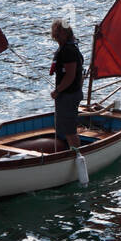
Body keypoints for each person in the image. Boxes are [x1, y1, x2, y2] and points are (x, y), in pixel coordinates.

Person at [49, 19, 85, 151]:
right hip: (68, 94)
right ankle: (67, 152)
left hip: (68, 95)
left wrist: (57, 91)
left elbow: (70, 76)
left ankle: (76, 155)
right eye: (55, 32)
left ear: (66, 33)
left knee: (69, 130)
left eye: (59, 33)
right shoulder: (66, 48)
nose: (56, 35)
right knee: (64, 127)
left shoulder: (68, 51)